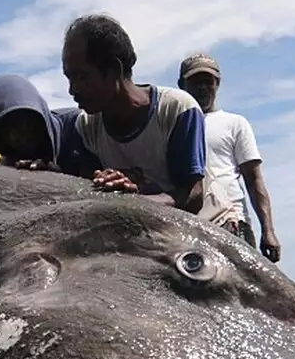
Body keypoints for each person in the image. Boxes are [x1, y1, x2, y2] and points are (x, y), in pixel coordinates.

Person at [61, 14, 219, 217]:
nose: (72, 90)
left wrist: (132, 202)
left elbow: (193, 196)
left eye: (82, 76)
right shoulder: (86, 127)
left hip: (198, 231)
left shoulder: (176, 110)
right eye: (69, 77)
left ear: (114, 70)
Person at [178, 53, 281, 262]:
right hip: (189, 225)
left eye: (208, 82)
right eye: (196, 82)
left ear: (218, 84)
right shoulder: (173, 125)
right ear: (182, 85)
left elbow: (254, 180)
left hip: (233, 222)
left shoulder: (234, 123)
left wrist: (268, 230)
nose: (203, 88)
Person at [0, 74, 93, 176]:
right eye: (6, 128)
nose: (16, 136)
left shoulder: (83, 127)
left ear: (40, 114)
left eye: (23, 121)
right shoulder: (9, 164)